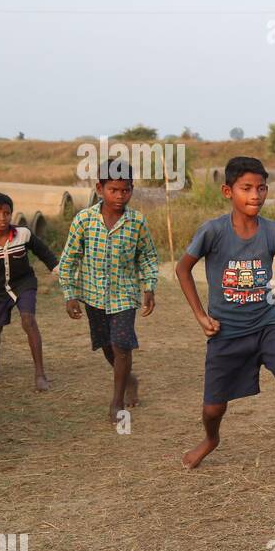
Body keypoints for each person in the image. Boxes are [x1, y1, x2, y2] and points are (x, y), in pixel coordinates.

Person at [176, 156, 275, 487]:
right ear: (227, 191)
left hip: (267, 326)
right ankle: (211, 439)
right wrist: (201, 316)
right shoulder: (213, 231)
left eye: (261, 188)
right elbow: (182, 269)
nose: (255, 195)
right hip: (226, 333)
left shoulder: (274, 231)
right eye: (246, 188)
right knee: (212, 410)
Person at [58, 159, 159, 421]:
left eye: (125, 190)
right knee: (106, 346)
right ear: (100, 188)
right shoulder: (84, 220)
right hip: (93, 295)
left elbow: (147, 256)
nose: (119, 196)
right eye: (113, 190)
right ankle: (129, 379)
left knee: (121, 345)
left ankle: (116, 403)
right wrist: (70, 294)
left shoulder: (136, 222)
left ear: (132, 189)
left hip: (125, 295)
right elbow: (69, 258)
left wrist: (149, 287)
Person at [0, 191, 58, 390]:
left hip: (24, 283)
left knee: (29, 320)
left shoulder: (23, 234)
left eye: (7, 213)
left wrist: (55, 267)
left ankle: (40, 374)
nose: (3, 218)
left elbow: (43, 252)